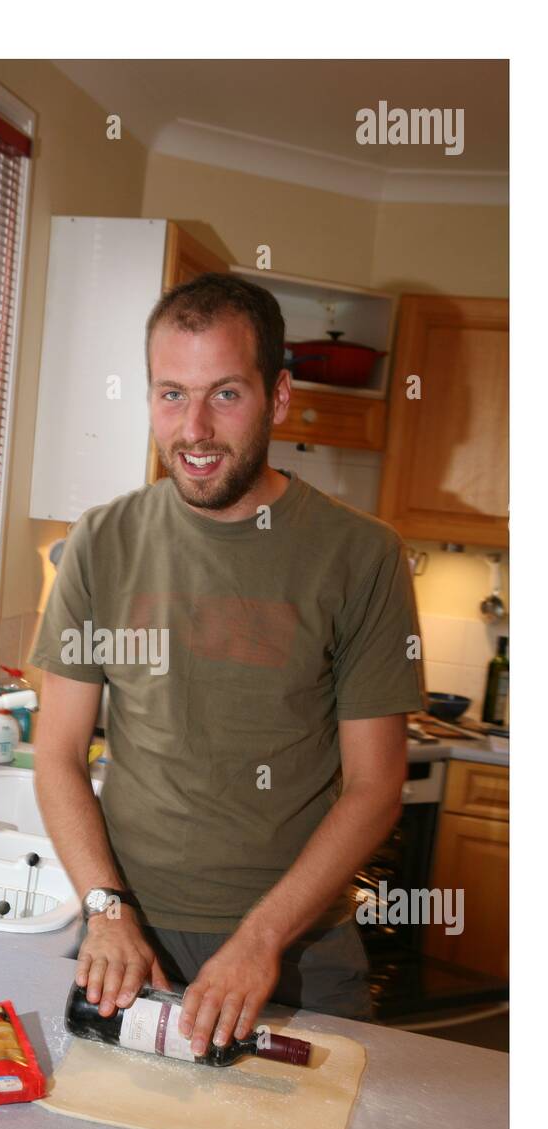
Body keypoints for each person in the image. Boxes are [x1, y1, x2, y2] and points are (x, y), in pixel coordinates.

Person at [30, 272, 425, 1056]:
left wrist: (261, 938)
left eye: (226, 395)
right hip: (128, 939)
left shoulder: (362, 556)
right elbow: (57, 753)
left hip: (300, 949)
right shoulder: (100, 543)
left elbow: (376, 788)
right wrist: (108, 910)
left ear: (278, 397)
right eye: (171, 394)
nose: (195, 428)